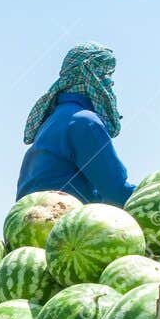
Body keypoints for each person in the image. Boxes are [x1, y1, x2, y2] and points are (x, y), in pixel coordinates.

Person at [16, 42, 136, 207]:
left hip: (33, 222)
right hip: (62, 222)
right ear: (91, 77)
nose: (110, 84)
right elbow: (116, 192)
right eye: (106, 75)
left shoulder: (53, 120)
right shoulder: (84, 122)